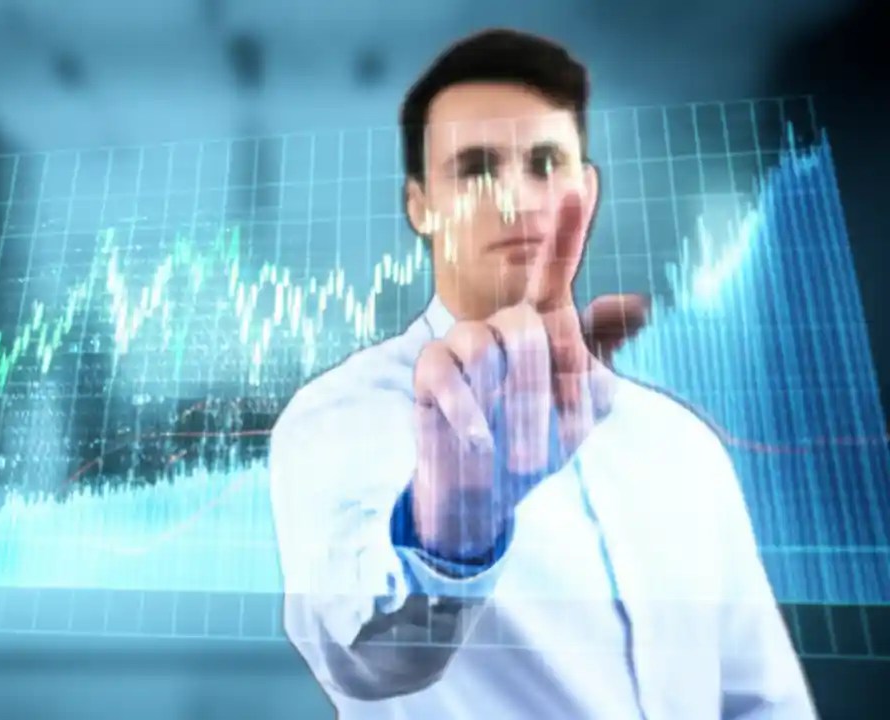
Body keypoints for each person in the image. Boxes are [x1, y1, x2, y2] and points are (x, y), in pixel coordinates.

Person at [268, 28, 816, 719]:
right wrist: (453, 540)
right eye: (474, 168)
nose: (515, 197)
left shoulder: (682, 446)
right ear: (419, 205)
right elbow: (360, 657)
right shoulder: (341, 418)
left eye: (546, 162)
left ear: (586, 189)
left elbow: (762, 701)